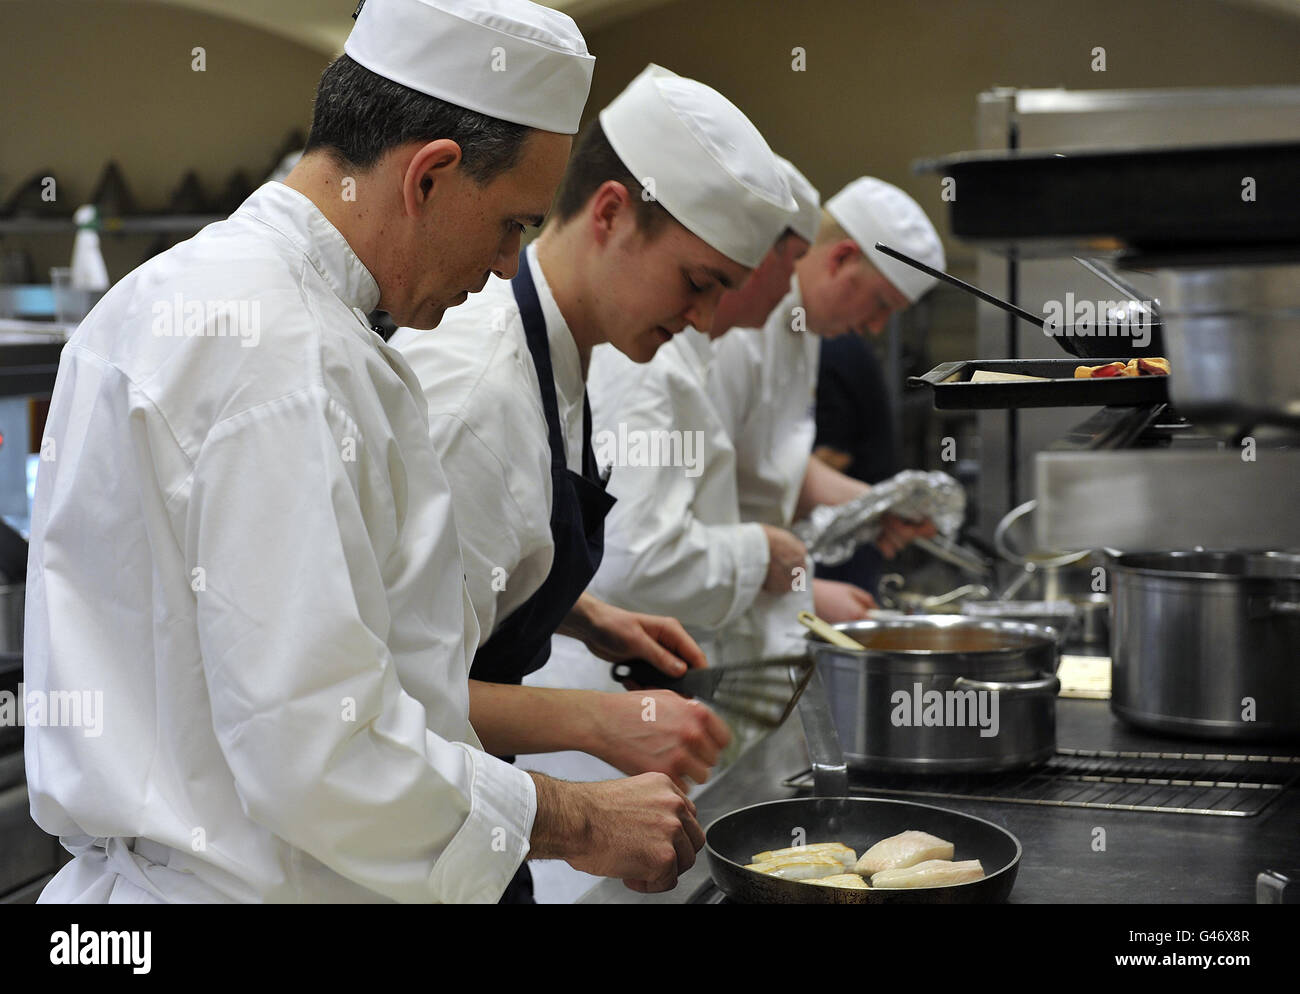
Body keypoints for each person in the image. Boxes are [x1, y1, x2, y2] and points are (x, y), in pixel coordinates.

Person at [24, 0, 702, 904]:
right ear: (429, 176)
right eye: (511, 226)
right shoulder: (286, 354)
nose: (507, 269)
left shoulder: (183, 295)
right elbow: (321, 751)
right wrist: (582, 818)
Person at [388, 64, 796, 900]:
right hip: (411, 847)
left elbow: (458, 571)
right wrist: (606, 722)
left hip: (473, 822)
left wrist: (583, 614)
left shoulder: (564, 355)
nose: (706, 320)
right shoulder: (479, 392)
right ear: (610, 213)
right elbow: (389, 698)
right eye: (697, 282)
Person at [708, 176, 945, 634]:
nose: (876, 327)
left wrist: (875, 507)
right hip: (713, 607)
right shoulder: (743, 324)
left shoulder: (807, 327)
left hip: (751, 606)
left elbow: (773, 461)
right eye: (880, 304)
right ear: (841, 259)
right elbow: (704, 495)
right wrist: (804, 589)